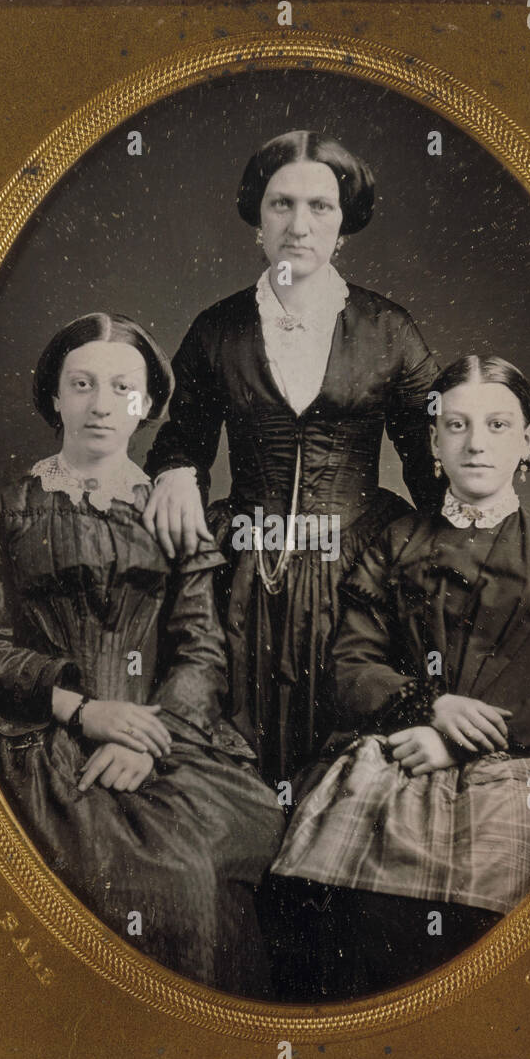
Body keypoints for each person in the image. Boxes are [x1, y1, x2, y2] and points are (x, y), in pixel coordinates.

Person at [269, 355, 530, 1000]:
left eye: (497, 424)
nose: (476, 443)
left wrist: (461, 737)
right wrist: (431, 708)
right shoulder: (395, 544)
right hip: (397, 747)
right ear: (433, 440)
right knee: (326, 915)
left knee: (474, 942)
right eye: (455, 425)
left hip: (512, 766)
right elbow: (349, 668)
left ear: (527, 442)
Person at [0, 312, 286, 998]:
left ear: (148, 405)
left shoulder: (170, 517)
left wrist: (148, 737)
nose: (101, 405)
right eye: (82, 384)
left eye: (122, 389)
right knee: (155, 876)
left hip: (163, 738)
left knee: (220, 853)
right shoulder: (8, 512)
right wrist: (82, 710)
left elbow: (200, 648)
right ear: (54, 397)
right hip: (43, 740)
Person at [142, 130, 443, 783]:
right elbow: (182, 434)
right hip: (248, 560)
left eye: (319, 208)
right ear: (257, 217)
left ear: (343, 225)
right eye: (281, 205)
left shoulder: (388, 328)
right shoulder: (217, 328)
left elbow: (430, 456)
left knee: (350, 759)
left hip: (362, 561)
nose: (298, 225)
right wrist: (171, 471)